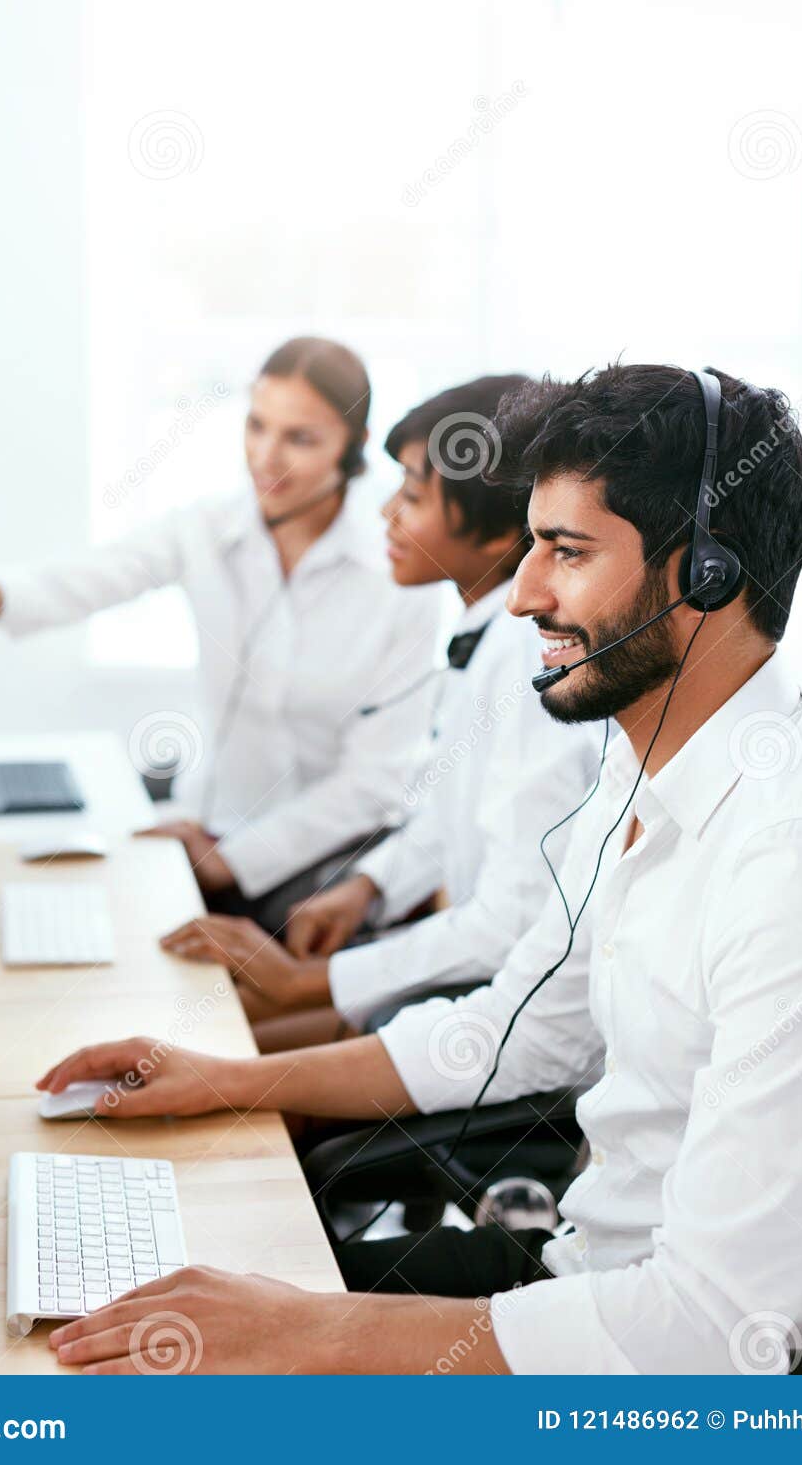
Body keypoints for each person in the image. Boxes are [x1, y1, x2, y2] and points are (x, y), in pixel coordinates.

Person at [36, 363, 802, 1375]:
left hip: (700, 1374)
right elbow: (506, 1031)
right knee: (167, 1321)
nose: (522, 593)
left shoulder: (793, 861)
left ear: (705, 575)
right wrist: (228, 1080)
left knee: (203, 1373)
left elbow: (710, 1330)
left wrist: (311, 1331)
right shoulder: (636, 775)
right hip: (587, 1280)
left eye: (566, 553)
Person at [0, 338, 438, 920]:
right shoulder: (206, 527)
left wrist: (235, 862)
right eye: (257, 426)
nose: (267, 456)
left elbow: (377, 779)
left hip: (323, 872)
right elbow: (86, 579)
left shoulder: (402, 573)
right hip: (204, 831)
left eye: (300, 438)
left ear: (354, 448)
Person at [159, 377, 599, 1044]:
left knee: (213, 1052)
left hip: (508, 1019)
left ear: (494, 534)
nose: (386, 514)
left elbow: (510, 916)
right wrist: (366, 886)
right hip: (472, 986)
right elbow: (451, 816)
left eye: (413, 496)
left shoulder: (529, 660)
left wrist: (305, 981)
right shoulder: (485, 641)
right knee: (206, 1033)